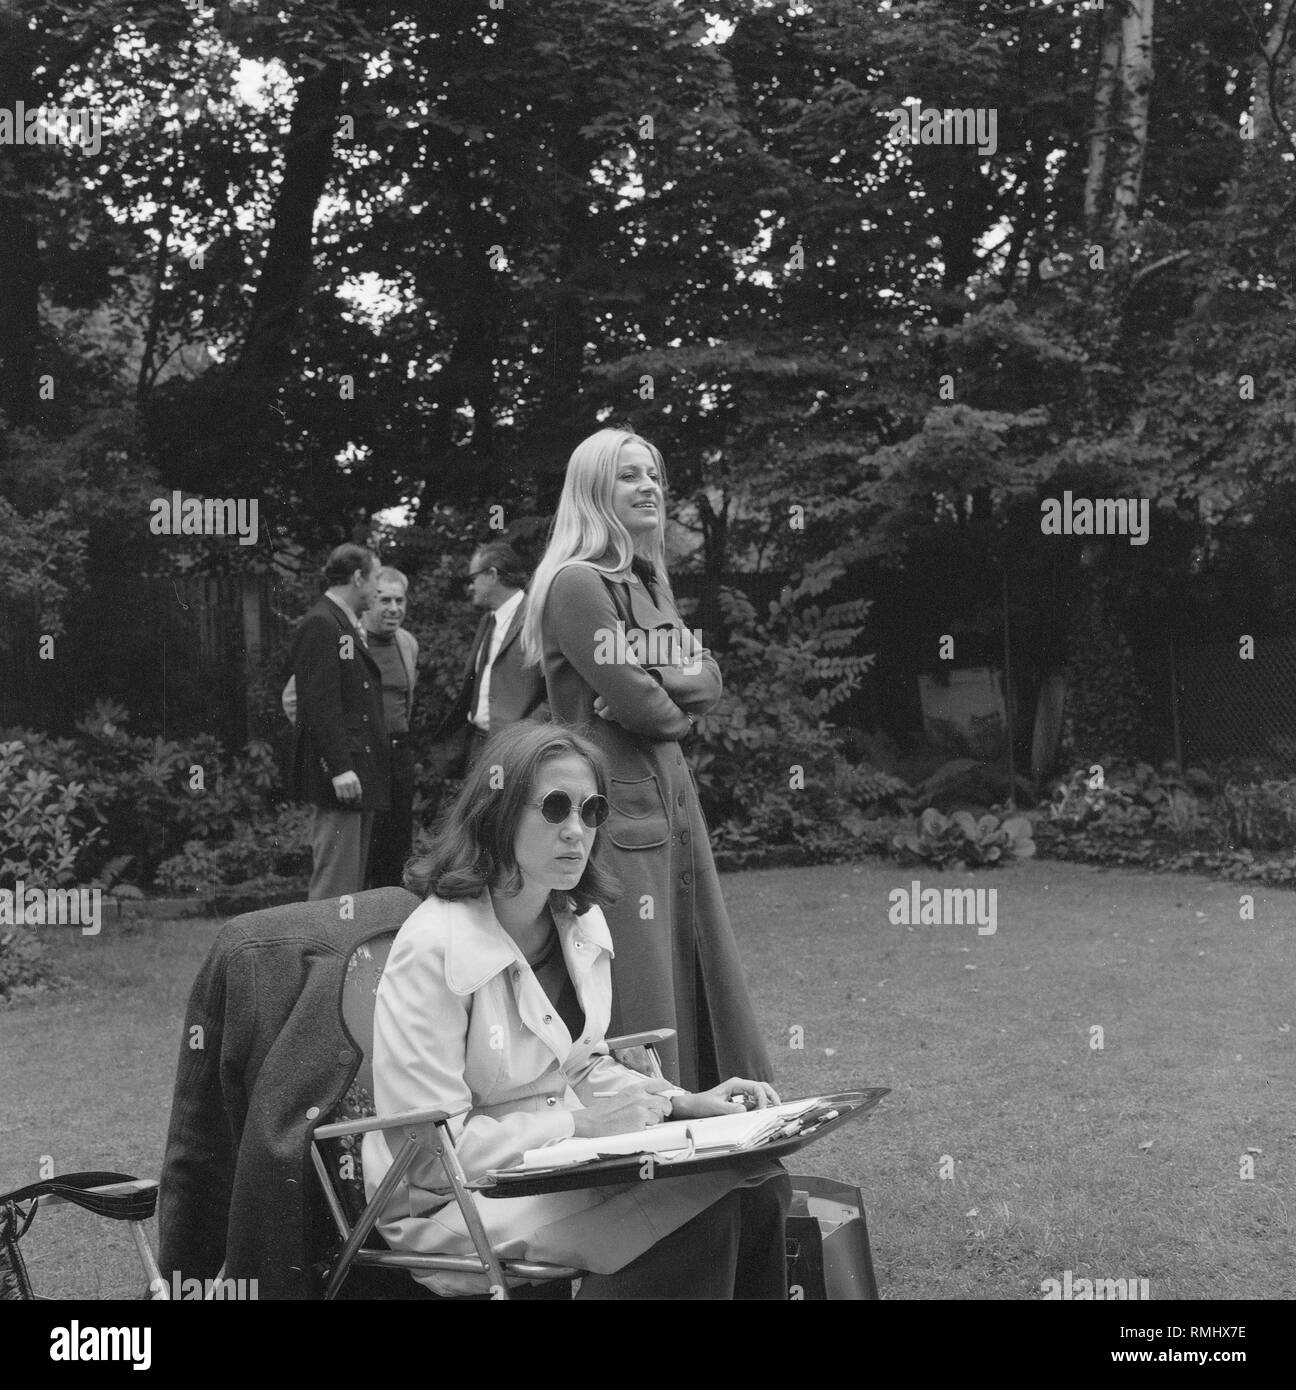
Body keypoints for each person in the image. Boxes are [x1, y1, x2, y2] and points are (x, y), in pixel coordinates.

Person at [362, 721, 790, 1299]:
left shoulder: (578, 919)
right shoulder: (432, 949)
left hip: (559, 1167)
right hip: (456, 1206)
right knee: (695, 1213)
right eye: (555, 807)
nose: (575, 831)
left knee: (758, 1181)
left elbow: (579, 1067)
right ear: (499, 812)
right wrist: (578, 1126)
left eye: (590, 811)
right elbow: (431, 1159)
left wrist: (679, 1104)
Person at [519, 428, 773, 1092]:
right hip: (618, 818)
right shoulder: (577, 585)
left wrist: (669, 692)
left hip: (671, 805)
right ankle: (661, 1155)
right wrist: (666, 694)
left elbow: (707, 680)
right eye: (631, 476)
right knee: (645, 997)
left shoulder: (643, 583)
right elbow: (645, 709)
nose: (650, 487)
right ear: (595, 491)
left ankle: (728, 1141)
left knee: (702, 974)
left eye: (655, 475)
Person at [284, 566, 419, 889]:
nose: (393, 609)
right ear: (370, 600)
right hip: (358, 760)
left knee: (394, 853)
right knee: (349, 862)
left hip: (395, 758)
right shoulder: (347, 639)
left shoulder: (407, 644)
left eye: (400, 600)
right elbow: (300, 701)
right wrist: (337, 748)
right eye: (384, 599)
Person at [429, 540, 546, 778]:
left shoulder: (537, 618)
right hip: (476, 744)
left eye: (472, 579)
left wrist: (522, 736)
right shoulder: (487, 621)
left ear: (492, 574)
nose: (470, 587)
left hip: (513, 749)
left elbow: (555, 690)